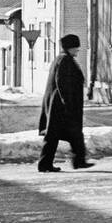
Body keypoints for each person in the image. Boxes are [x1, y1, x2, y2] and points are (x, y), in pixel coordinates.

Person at [38, 34, 94, 171]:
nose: (78, 50)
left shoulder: (63, 59)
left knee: (70, 134)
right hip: (60, 106)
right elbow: (62, 83)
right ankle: (45, 164)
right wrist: (67, 103)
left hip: (59, 104)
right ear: (69, 48)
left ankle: (78, 160)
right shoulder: (65, 61)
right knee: (55, 135)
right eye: (76, 47)